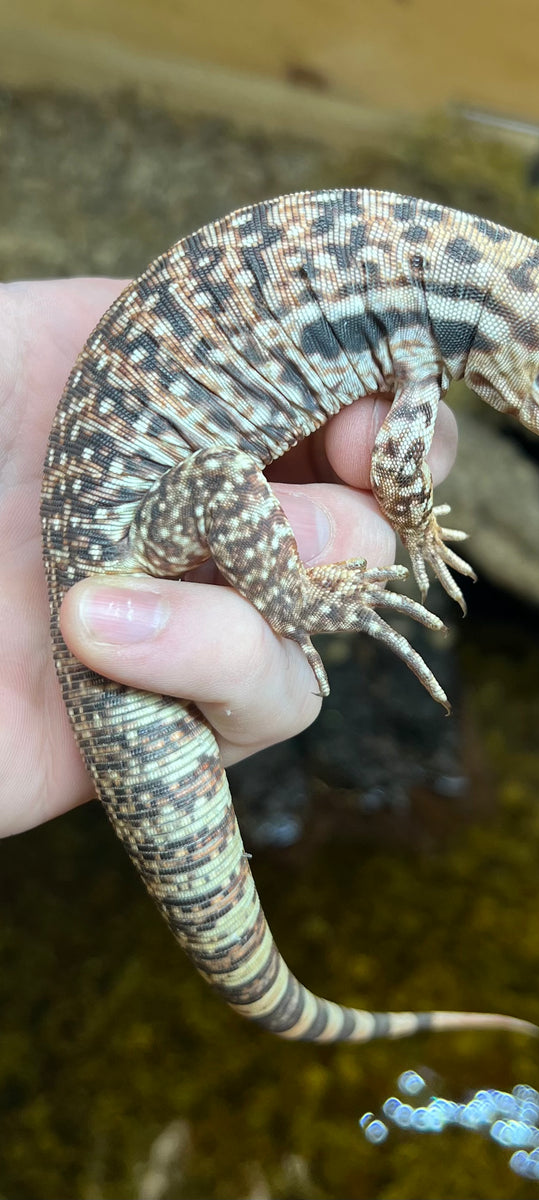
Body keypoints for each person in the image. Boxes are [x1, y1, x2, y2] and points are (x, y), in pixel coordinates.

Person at [0, 278, 459, 837]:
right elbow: (394, 471)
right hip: (118, 528)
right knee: (228, 482)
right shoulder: (426, 333)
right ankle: (295, 599)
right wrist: (409, 533)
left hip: (111, 525)